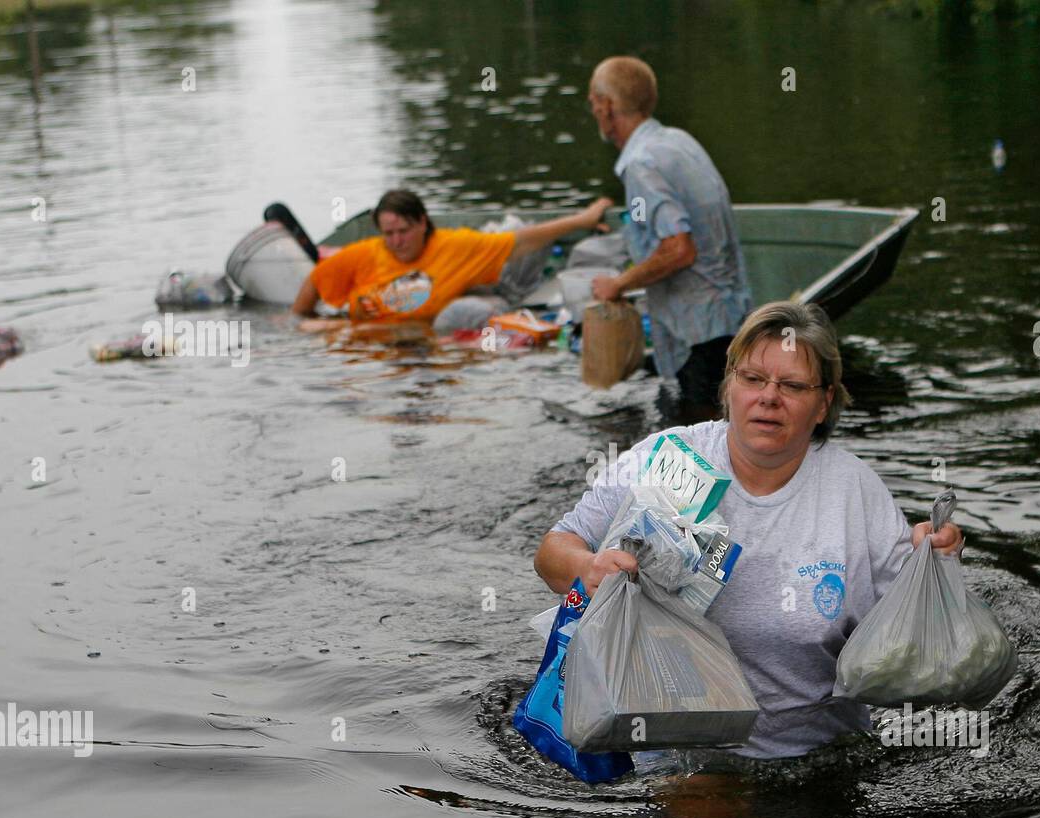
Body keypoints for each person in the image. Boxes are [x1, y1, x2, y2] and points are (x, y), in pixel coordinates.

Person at [533, 300, 965, 762]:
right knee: (710, 815)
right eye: (753, 379)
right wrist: (588, 567)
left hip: (820, 756)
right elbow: (552, 552)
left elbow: (915, 644)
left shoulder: (855, 492)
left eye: (793, 385)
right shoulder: (666, 458)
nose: (769, 397)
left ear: (824, 403)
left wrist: (934, 564)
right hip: (675, 747)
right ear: (729, 385)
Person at [586, 56, 752, 420]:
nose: (593, 109)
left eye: (593, 100)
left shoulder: (641, 165)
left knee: (701, 448)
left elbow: (679, 248)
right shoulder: (678, 141)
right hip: (730, 317)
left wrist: (619, 284)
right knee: (724, 436)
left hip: (700, 333)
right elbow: (663, 228)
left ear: (608, 106)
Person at [291, 189, 609, 324]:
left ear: (422, 223)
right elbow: (316, 280)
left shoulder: (454, 247)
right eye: (388, 233)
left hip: (425, 341)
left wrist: (582, 220)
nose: (396, 241)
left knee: (459, 314)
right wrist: (305, 320)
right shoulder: (364, 253)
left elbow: (520, 242)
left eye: (403, 231)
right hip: (365, 337)